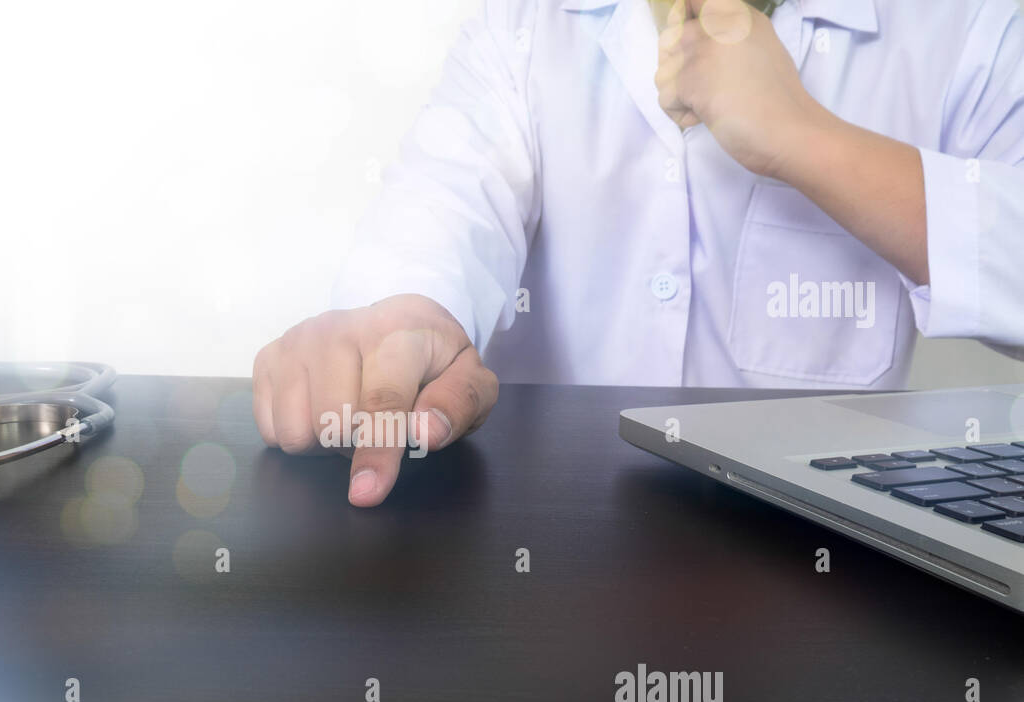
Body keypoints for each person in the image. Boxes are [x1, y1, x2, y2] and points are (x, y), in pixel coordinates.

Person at [252, 0, 1024, 506]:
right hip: (543, 565)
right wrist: (402, 327)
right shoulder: (522, 24)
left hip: (827, 572)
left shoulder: (966, 26)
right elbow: (441, 213)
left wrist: (804, 139)